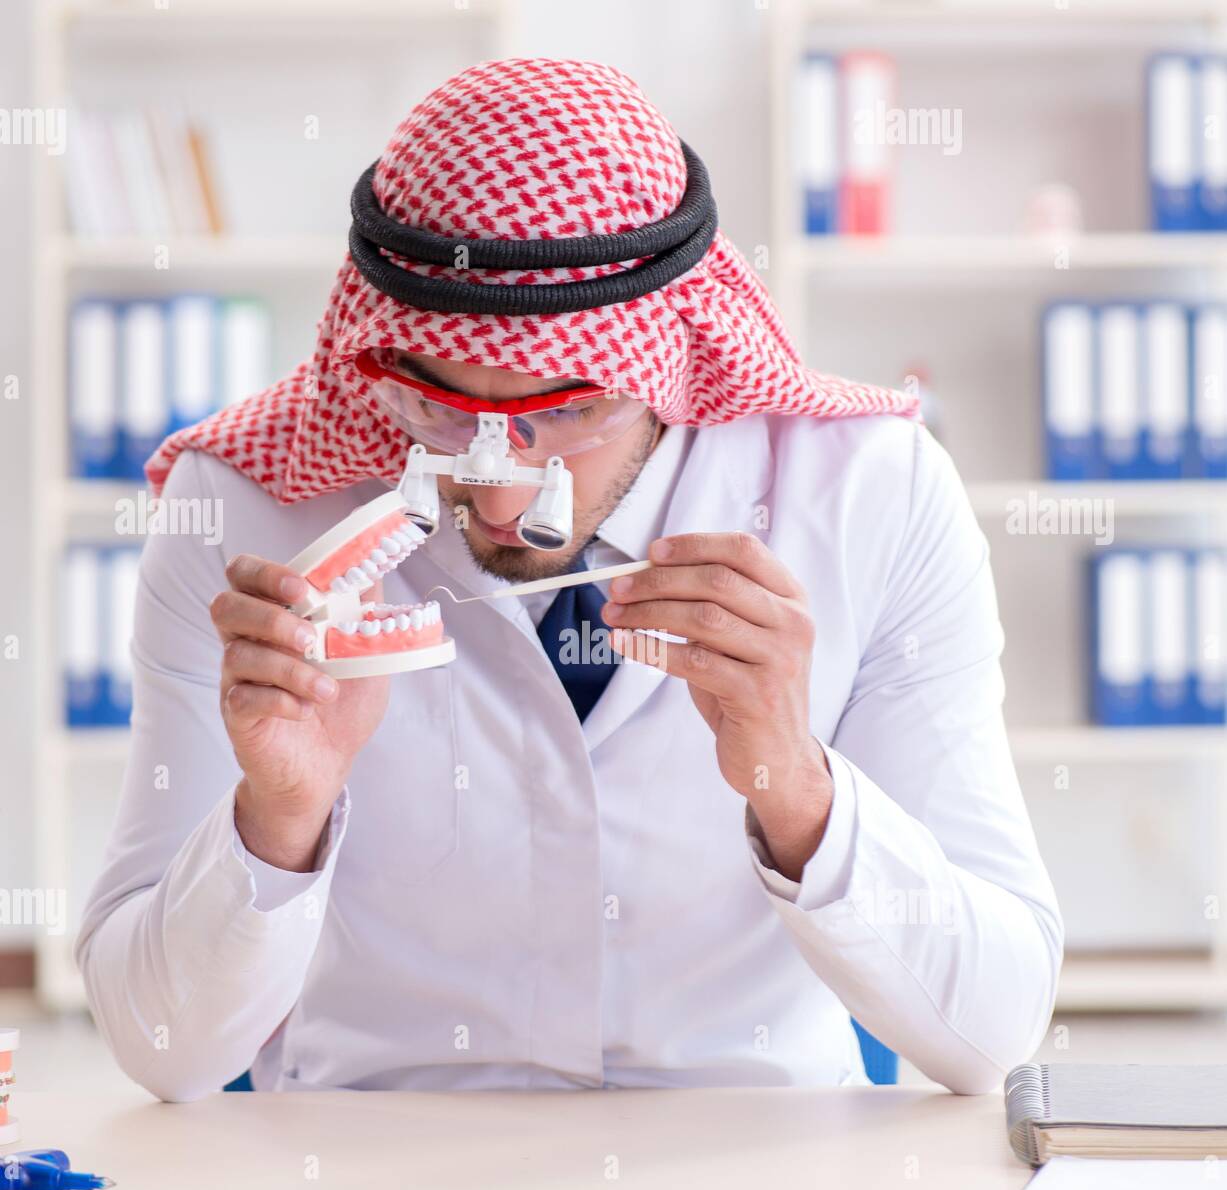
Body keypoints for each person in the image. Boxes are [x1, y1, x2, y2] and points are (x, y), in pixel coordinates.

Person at [78, 59, 1061, 1100]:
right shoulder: (241, 513)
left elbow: (992, 1032)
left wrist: (798, 785)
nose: (502, 497)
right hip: (368, 1160)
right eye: (440, 409)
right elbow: (161, 1051)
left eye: (568, 411)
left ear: (668, 359)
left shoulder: (874, 495)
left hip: (755, 1166)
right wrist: (278, 818)